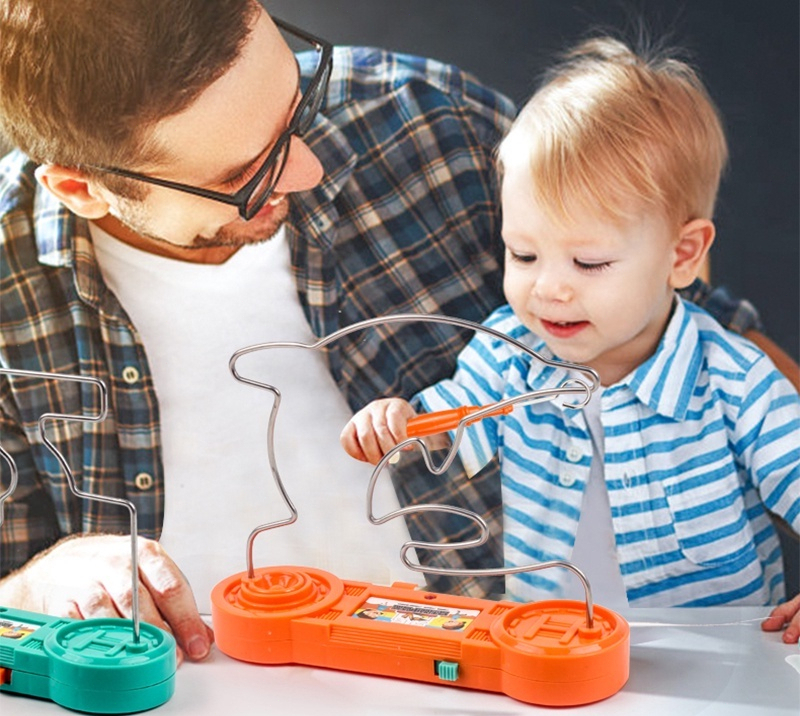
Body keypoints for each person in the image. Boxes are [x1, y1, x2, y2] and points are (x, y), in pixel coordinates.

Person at [0, 1, 794, 663]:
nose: (309, 169)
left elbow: (705, 334)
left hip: (499, 697)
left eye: (296, 102)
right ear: (84, 188)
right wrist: (28, 590)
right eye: (245, 175)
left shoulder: (428, 125)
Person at [341, 37, 800, 639]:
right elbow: (450, 430)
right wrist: (398, 425)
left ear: (682, 255)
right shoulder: (510, 352)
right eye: (523, 254)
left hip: (720, 662)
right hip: (556, 645)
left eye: (588, 262)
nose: (548, 290)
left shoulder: (734, 381)